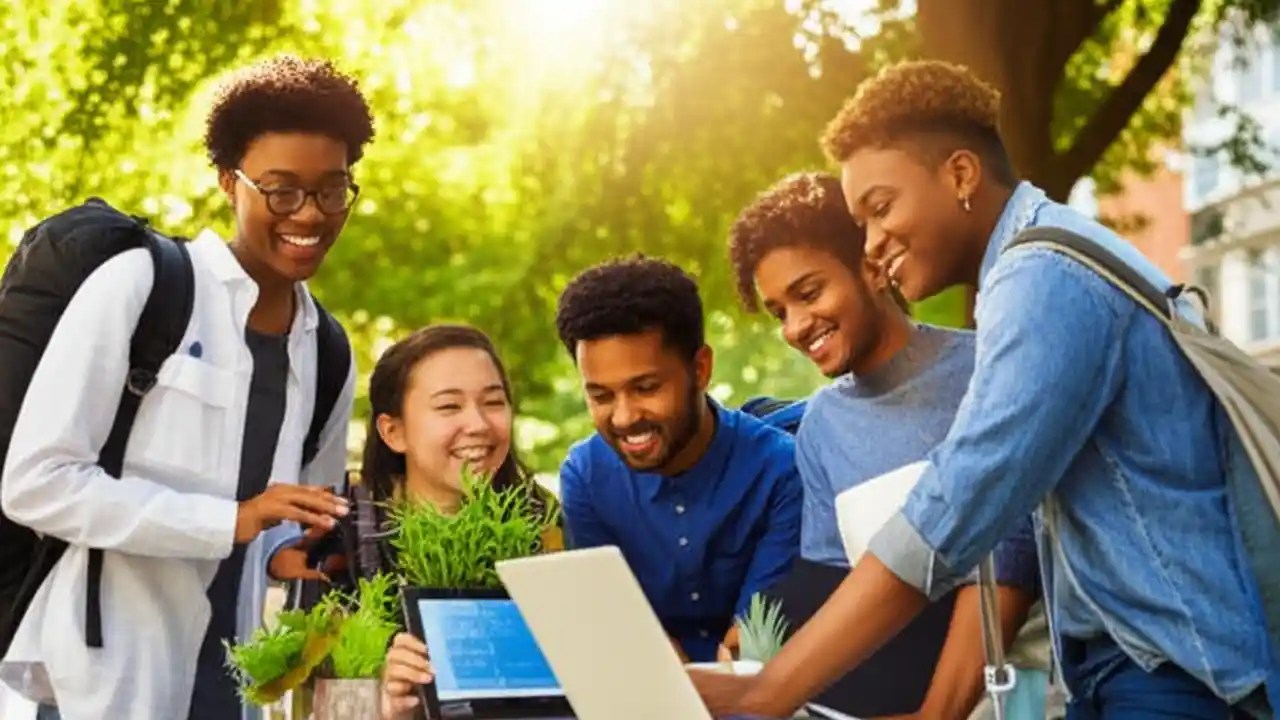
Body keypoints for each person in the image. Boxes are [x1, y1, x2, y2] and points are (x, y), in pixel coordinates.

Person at [693, 59, 1277, 719]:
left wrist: (767, 693)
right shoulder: (1044, 262)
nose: (875, 242)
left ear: (961, 174)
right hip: (1129, 665)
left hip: (1180, 670)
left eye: (882, 208)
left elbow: (957, 508)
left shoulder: (1042, 280)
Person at [0, 55, 369, 720]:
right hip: (100, 685)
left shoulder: (330, 352)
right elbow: (36, 482)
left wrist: (288, 552)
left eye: (332, 189)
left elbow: (291, 527)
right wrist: (229, 520)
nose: (309, 215)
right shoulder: (142, 287)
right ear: (231, 183)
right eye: (281, 190)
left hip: (235, 690)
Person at [727, 170, 1050, 719]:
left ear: (873, 266)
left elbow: (1013, 564)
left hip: (1022, 697)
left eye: (809, 293)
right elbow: (837, 591)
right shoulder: (822, 427)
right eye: (780, 311)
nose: (796, 326)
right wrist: (747, 644)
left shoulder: (988, 370)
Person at [553, 256, 803, 664]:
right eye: (600, 396)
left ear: (700, 368)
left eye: (646, 387)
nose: (624, 417)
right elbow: (626, 634)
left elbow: (753, 647)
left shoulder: (779, 470)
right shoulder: (585, 478)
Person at [344, 325, 558, 720]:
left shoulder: (542, 521)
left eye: (493, 402)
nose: (477, 424)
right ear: (394, 431)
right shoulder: (342, 533)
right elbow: (300, 700)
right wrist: (381, 702)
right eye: (448, 407)